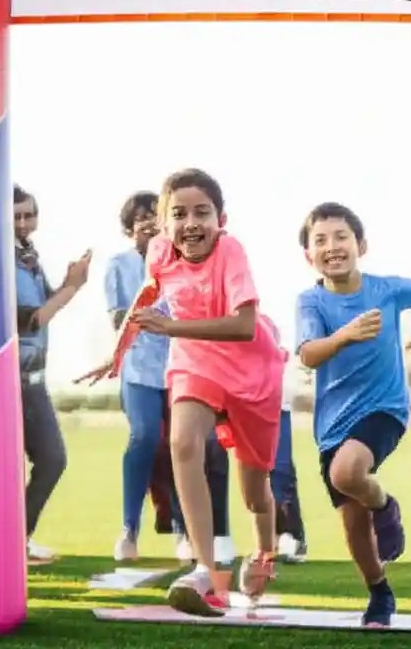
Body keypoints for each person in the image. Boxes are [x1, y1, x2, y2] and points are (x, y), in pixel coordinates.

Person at [79, 168, 286, 617]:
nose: (191, 223)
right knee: (182, 441)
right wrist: (117, 355)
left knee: (254, 492)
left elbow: (243, 324)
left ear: (221, 218)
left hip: (252, 369)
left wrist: (171, 326)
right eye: (179, 214)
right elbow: (145, 298)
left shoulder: (230, 252)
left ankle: (265, 553)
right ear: (163, 222)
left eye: (202, 213)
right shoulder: (158, 250)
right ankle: (207, 573)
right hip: (195, 362)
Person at [294, 202, 411, 627]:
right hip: (333, 425)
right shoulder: (311, 302)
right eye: (321, 241)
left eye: (341, 237)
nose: (332, 246)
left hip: (384, 409)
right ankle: (379, 592)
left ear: (360, 244)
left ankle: (386, 506)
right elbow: (309, 354)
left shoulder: (386, 289)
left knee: (347, 473)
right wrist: (345, 335)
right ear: (309, 255)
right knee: (353, 526)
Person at [104, 190, 236, 565]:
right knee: (145, 436)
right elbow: (118, 318)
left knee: (186, 445)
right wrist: (146, 317)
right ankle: (129, 529)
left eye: (153, 216)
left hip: (182, 367)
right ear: (129, 228)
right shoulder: (119, 265)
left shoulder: (186, 263)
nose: (146, 223)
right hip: (139, 369)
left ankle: (183, 529)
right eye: (138, 218)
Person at [13, 184, 92, 564]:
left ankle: (17, 540)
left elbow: (46, 304)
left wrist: (68, 282)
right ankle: (15, 541)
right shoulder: (2, 261)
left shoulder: (28, 257)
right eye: (16, 216)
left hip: (34, 377)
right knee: (51, 458)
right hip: (17, 380)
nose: (24, 223)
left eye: (30, 215)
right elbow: (31, 320)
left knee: (46, 460)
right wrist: (73, 288)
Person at [272, 394, 308, 565]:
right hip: (229, 390)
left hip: (274, 399)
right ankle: (191, 534)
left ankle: (289, 534)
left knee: (279, 467)